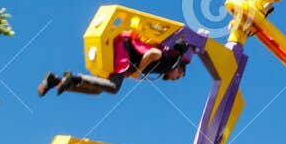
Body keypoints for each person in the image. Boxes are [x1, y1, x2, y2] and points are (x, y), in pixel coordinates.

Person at [38, 33, 191, 98]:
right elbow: (153, 53)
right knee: (113, 87)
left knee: (98, 90)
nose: (174, 79)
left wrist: (135, 71)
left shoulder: (164, 67)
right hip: (126, 48)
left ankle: (55, 80)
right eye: (178, 77)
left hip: (125, 51)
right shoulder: (171, 62)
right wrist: (138, 71)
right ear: (179, 69)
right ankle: (73, 78)